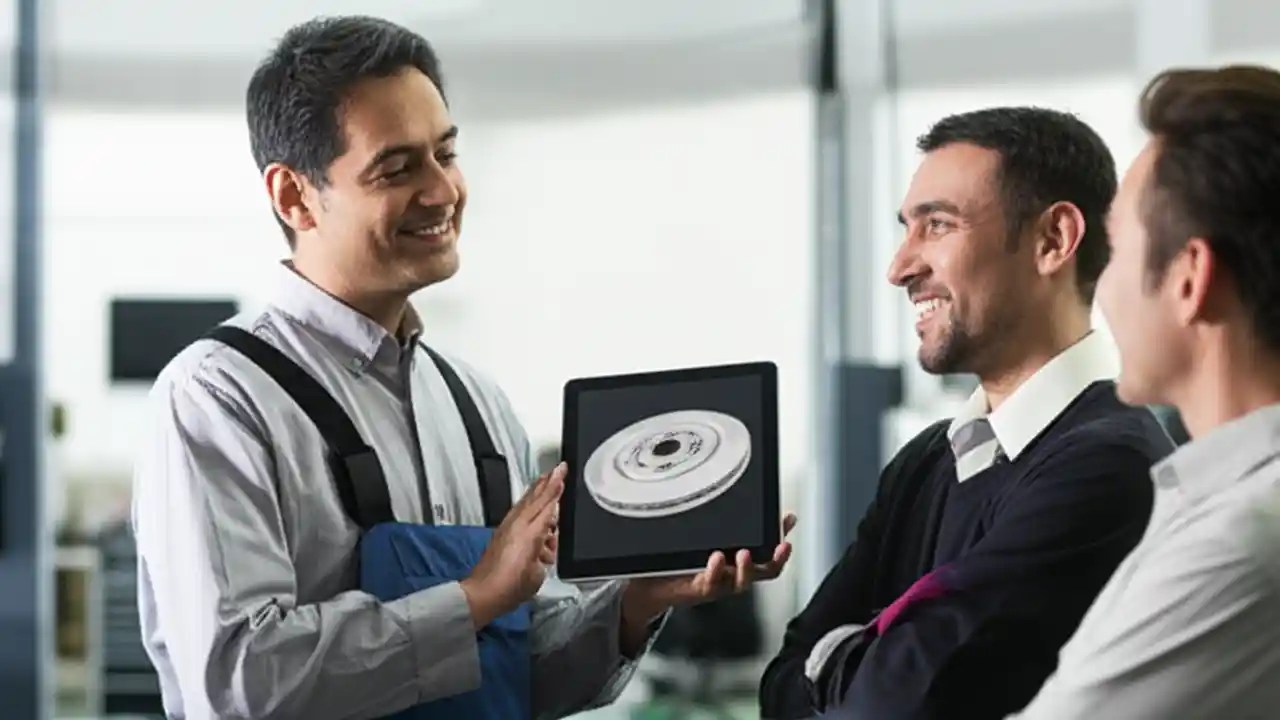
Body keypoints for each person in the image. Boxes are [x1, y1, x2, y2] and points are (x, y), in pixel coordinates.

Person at [131, 15, 794, 720]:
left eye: (445, 154)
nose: (443, 190)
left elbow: (522, 665)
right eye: (397, 168)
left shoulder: (476, 403)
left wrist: (639, 601)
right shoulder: (217, 398)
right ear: (294, 196)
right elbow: (236, 684)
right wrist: (475, 596)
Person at [758, 107, 1174, 720]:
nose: (900, 268)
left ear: (1053, 240)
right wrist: (865, 661)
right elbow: (779, 687)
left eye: (938, 225)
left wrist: (844, 661)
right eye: (907, 229)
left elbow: (905, 704)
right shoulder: (926, 462)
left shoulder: (1110, 467)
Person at [1012, 65, 1280, 720]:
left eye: (1115, 250)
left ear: (1189, 279)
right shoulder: (1223, 502)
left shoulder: (1242, 541)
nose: (1100, 288)